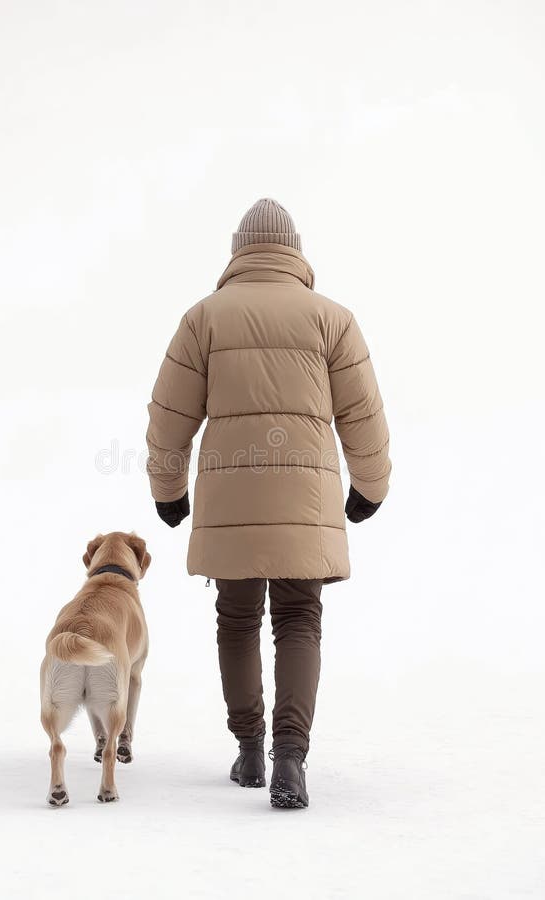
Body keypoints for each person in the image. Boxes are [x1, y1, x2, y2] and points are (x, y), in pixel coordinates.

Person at [146, 198, 391, 808]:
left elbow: (169, 417)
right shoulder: (331, 319)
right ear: (295, 250)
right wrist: (369, 488)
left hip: (229, 495)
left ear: (237, 250)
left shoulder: (204, 318)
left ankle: (250, 750)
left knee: (236, 618)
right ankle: (291, 759)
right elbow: (364, 414)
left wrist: (168, 492)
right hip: (305, 500)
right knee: (298, 618)